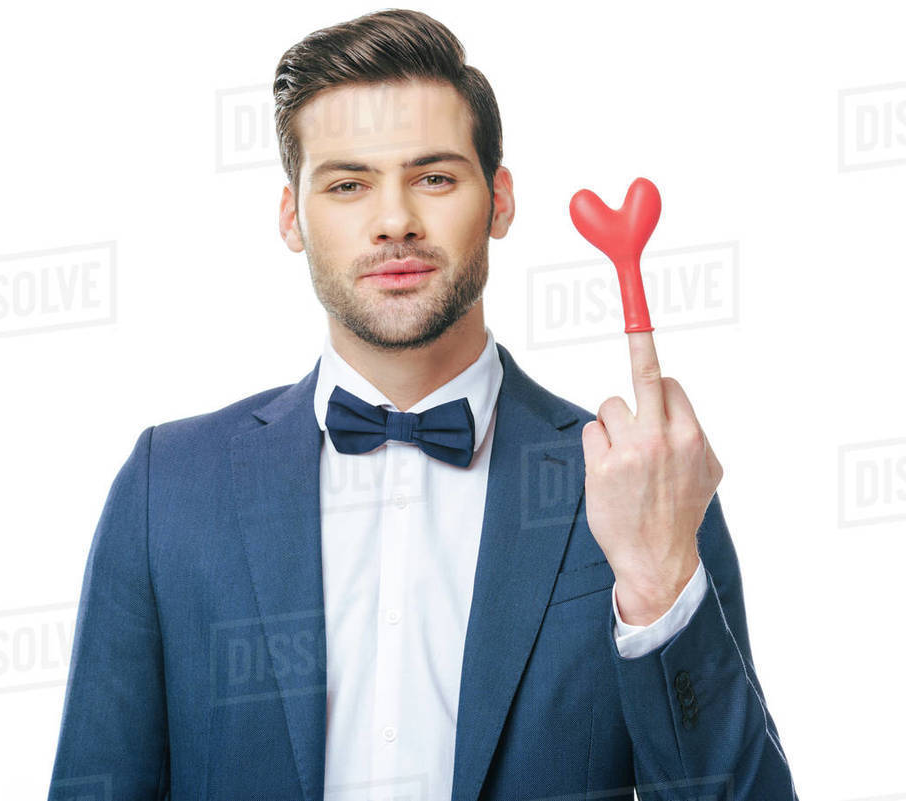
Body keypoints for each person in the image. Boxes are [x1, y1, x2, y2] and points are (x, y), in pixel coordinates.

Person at [47, 9, 797, 800]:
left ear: (500, 200)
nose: (394, 221)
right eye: (347, 185)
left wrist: (659, 588)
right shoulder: (167, 487)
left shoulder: (639, 482)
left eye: (434, 177)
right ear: (292, 216)